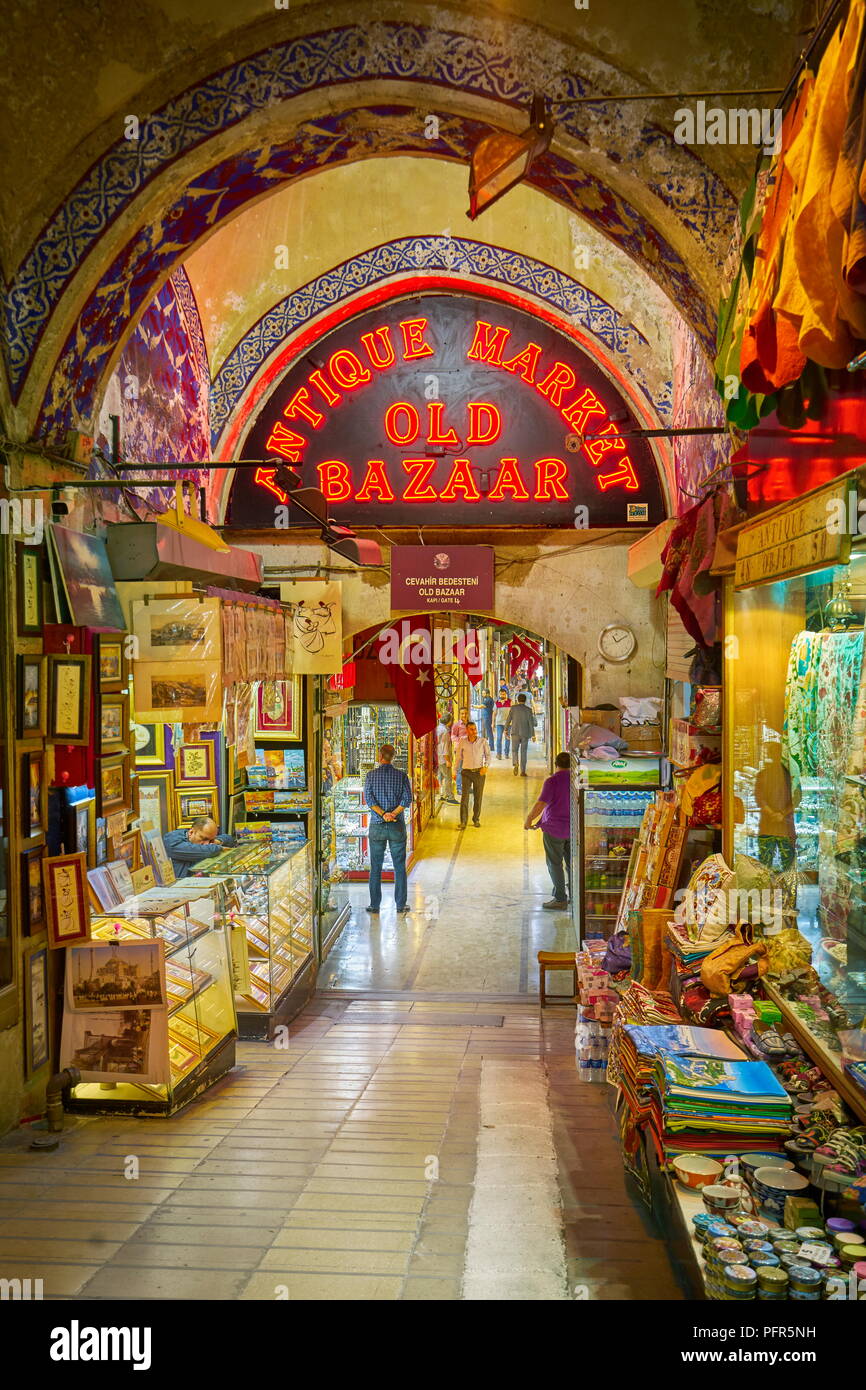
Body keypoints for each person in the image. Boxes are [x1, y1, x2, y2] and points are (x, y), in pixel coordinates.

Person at [362, 744, 413, 916]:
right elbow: (407, 799)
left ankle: (375, 905)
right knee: (399, 866)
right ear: (393, 757)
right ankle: (400, 905)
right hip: (396, 826)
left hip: (377, 826)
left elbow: (369, 799)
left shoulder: (370, 776)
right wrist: (393, 814)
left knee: (375, 867)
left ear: (380, 756)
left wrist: (383, 814)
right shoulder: (401, 776)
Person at [525, 752, 573, 909]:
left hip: (554, 829)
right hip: (573, 829)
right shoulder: (576, 779)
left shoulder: (552, 781)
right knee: (571, 864)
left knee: (554, 863)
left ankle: (560, 899)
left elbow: (541, 804)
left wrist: (529, 819)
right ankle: (574, 895)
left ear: (556, 764)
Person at [163, 817, 236, 880]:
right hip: (178, 888)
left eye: (210, 840)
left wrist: (217, 841)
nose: (207, 844)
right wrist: (217, 848)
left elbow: (229, 839)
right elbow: (209, 851)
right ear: (191, 832)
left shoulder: (207, 840)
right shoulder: (171, 840)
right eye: (203, 838)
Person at [454, 720, 491, 828]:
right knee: (464, 797)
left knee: (478, 797)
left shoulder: (482, 741)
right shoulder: (462, 741)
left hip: (479, 772)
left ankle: (476, 819)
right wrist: (454, 771)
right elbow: (458, 758)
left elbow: (488, 756)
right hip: (466, 772)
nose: (474, 731)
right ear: (467, 730)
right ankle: (463, 821)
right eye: (471, 729)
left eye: (475, 729)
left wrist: (485, 766)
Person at [505, 693, 536, 776]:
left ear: (518, 700)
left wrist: (505, 730)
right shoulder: (528, 710)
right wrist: (533, 735)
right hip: (525, 733)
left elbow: (508, 719)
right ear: (525, 700)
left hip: (515, 732)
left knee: (514, 750)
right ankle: (523, 771)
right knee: (523, 752)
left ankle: (515, 763)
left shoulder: (513, 708)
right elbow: (530, 723)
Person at [436, 710, 457, 803]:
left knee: (441, 777)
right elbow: (444, 748)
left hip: (438, 757)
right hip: (443, 758)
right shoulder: (444, 731)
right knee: (448, 777)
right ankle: (450, 797)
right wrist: (447, 760)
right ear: (449, 721)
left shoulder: (438, 728)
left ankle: (442, 794)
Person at [451, 706, 468, 795]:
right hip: (459, 750)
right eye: (462, 713)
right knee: (460, 769)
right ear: (460, 714)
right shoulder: (456, 725)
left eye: (465, 713)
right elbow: (453, 736)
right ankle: (459, 788)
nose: (464, 715)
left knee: (468, 769)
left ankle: (466, 787)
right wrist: (460, 740)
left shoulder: (470, 724)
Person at [493, 687, 512, 758]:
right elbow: (494, 713)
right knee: (499, 738)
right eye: (501, 694)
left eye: (503, 694)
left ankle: (506, 754)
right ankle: (499, 754)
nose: (502, 696)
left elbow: (513, 712)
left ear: (506, 694)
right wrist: (493, 723)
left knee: (507, 738)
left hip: (508, 724)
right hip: (499, 723)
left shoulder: (510, 702)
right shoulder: (497, 703)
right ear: (499, 694)